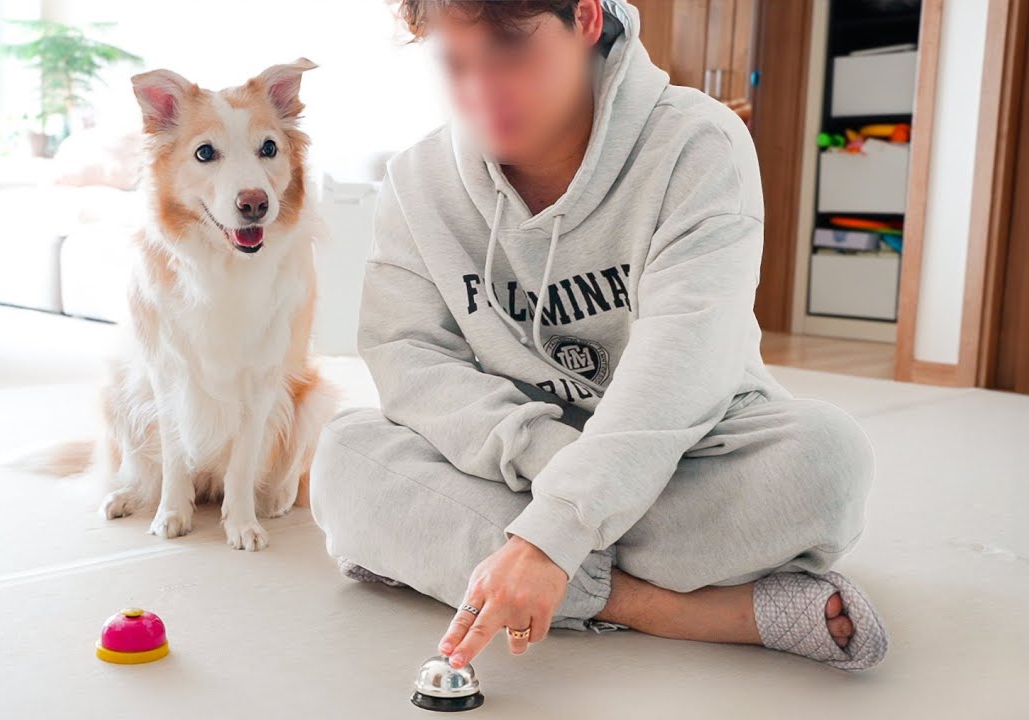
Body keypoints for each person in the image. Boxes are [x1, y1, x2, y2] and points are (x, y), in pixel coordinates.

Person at [310, 0, 888, 671]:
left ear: (585, 17)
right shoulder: (419, 180)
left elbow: (683, 369)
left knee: (827, 463)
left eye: (511, 53)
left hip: (687, 452)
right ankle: (664, 608)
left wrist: (555, 532)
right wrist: (554, 478)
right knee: (345, 457)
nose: (481, 94)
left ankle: (520, 568)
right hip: (518, 459)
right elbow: (408, 355)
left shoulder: (697, 144)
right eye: (457, 62)